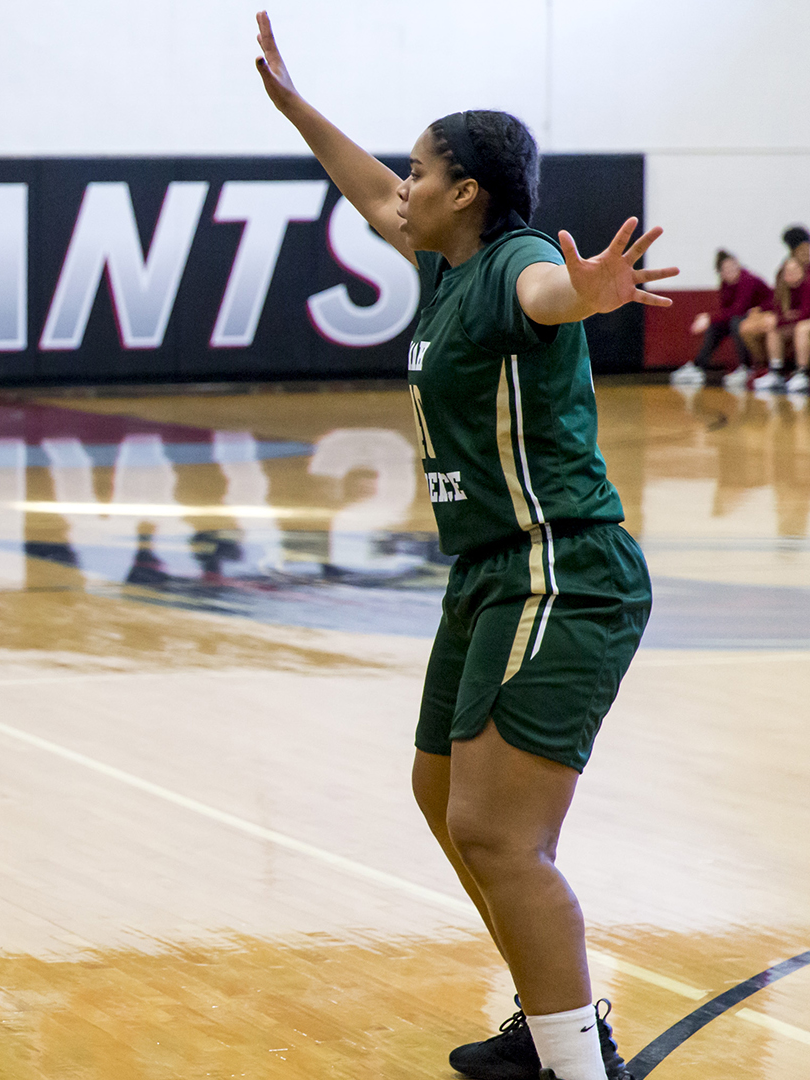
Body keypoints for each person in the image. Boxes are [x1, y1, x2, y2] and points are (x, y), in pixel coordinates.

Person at [255, 12, 669, 1080]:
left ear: (468, 191)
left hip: (559, 566)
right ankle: (551, 1024)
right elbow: (367, 193)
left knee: (497, 833)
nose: (404, 186)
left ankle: (575, 1063)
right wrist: (296, 108)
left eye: (420, 171)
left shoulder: (517, 262)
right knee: (443, 798)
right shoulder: (447, 267)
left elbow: (549, 294)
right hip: (489, 568)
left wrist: (587, 293)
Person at [671, 251, 774, 387]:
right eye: (727, 269)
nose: (732, 271)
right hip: (745, 317)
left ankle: (746, 367)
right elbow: (727, 311)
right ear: (720, 272)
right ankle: (698, 366)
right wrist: (712, 320)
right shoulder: (726, 284)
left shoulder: (747, 280)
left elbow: (738, 310)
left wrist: (709, 317)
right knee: (716, 327)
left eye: (734, 266)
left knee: (736, 323)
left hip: (762, 316)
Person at [754, 226, 810, 393]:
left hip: (803, 322)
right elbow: (778, 310)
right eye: (788, 272)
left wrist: (789, 318)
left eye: (795, 271)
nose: (790, 274)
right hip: (796, 320)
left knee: (801, 328)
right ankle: (776, 371)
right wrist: (785, 318)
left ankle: (802, 372)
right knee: (773, 327)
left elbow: (806, 312)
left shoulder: (807, 284)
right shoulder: (783, 286)